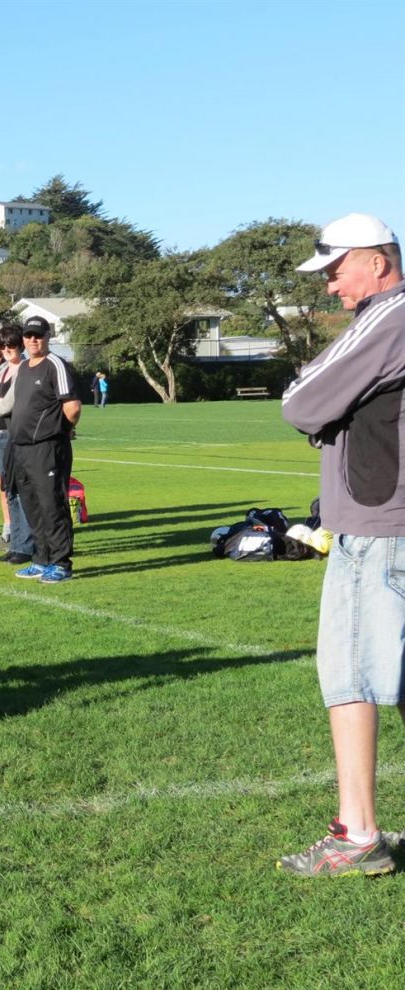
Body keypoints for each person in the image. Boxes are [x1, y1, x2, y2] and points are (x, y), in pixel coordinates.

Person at [278, 212, 405, 877]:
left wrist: (323, 402)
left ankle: (356, 834)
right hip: (385, 522)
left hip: (379, 526)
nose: (329, 286)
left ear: (378, 261)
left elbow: (301, 400)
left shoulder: (391, 316)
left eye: (336, 269)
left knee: (349, 675)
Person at [9, 316, 80, 584]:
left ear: (47, 337)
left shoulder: (55, 365)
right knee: (33, 507)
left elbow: (72, 406)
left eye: (37, 335)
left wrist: (59, 430)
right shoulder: (25, 367)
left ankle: (61, 563)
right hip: (23, 448)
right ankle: (41, 559)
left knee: (52, 506)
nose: (32, 340)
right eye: (28, 336)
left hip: (47, 447)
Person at [0, 325, 35, 566]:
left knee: (20, 489)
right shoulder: (2, 368)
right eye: (2, 346)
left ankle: (26, 546)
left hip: (16, 434)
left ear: (21, 346)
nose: (5, 350)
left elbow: (6, 406)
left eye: (10, 345)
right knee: (7, 490)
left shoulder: (24, 368)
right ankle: (16, 544)